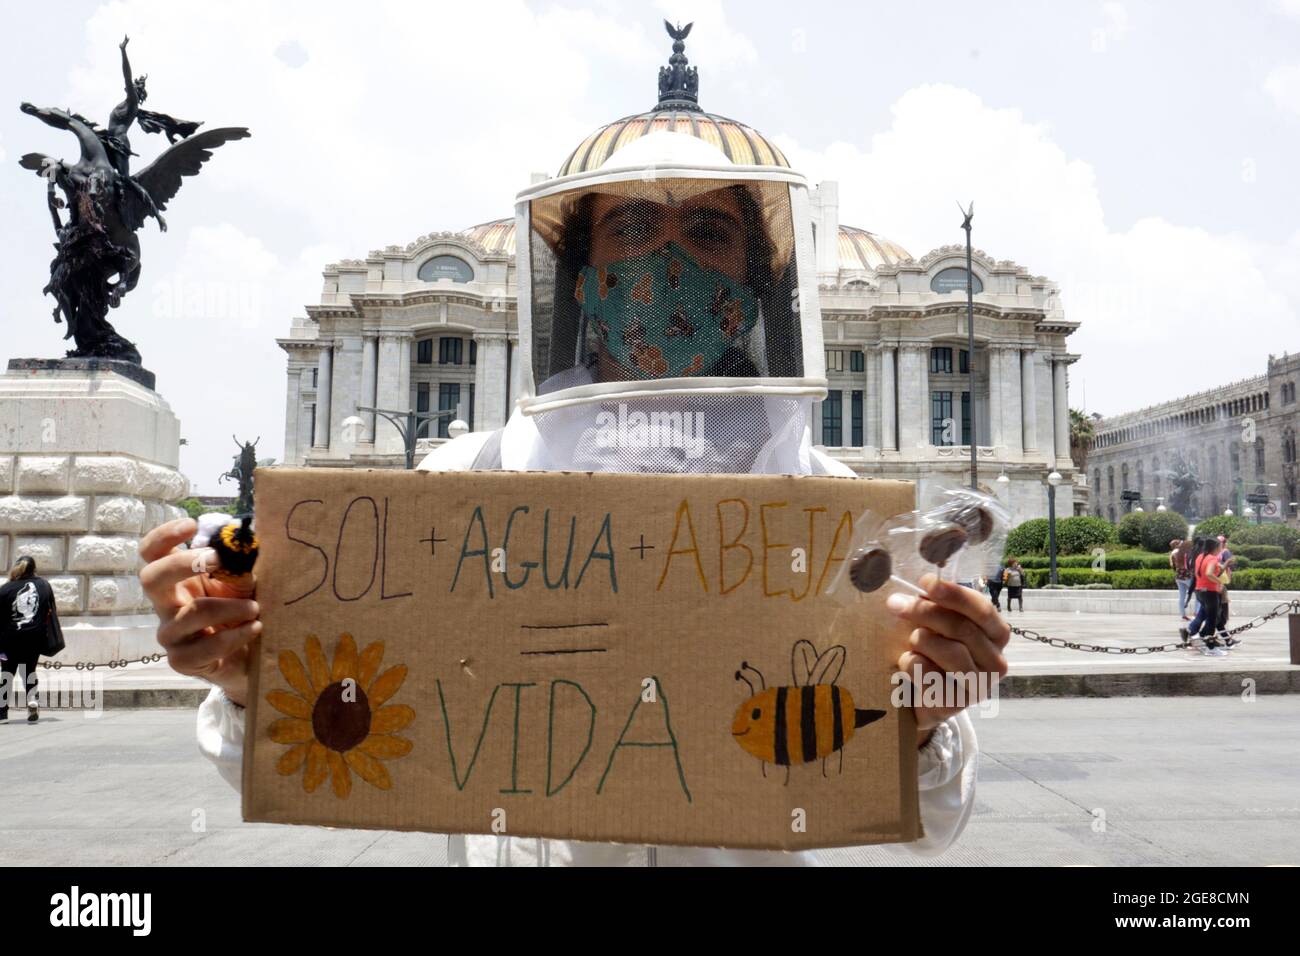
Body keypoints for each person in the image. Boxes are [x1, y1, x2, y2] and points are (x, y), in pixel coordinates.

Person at [139, 37, 1010, 866]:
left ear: (756, 286)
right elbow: (314, 748)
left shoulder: (842, 520)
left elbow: (930, 823)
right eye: (633, 228)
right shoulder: (459, 487)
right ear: (583, 278)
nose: (668, 263)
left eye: (708, 234)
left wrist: (929, 715)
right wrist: (245, 675)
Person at [0, 556, 65, 723]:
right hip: (35, 637)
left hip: (9, 639)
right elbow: (51, 609)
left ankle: (2, 713)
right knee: (29, 670)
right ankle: (32, 699)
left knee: (7, 672)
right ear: (34, 569)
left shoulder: (6, 589)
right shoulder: (44, 585)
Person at [1170, 538, 1194, 621]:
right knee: (1198, 595)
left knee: (1181, 596)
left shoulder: (1173, 553)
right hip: (1187, 576)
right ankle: (1197, 612)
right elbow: (1189, 564)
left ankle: (1183, 615)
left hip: (1178, 576)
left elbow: (1172, 565)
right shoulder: (1182, 552)